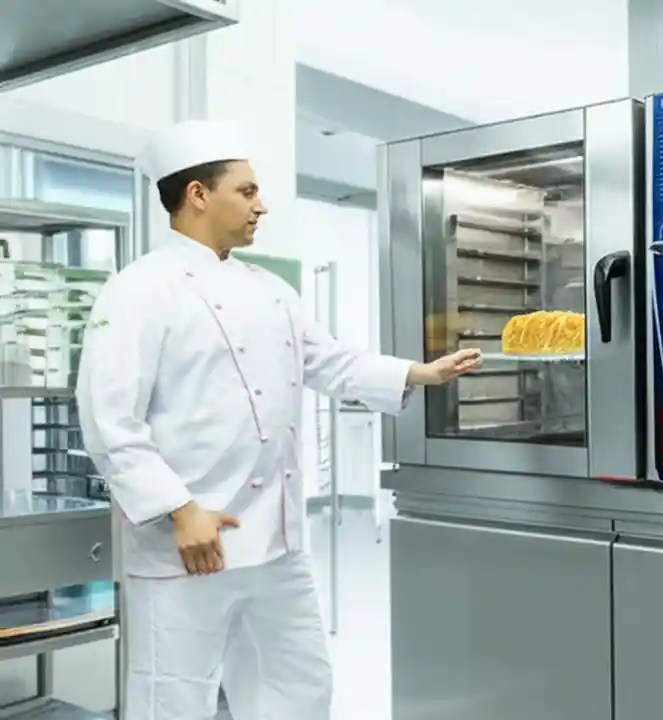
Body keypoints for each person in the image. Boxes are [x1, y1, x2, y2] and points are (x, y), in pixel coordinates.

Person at [75, 119, 481, 720]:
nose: (261, 206)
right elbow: (108, 418)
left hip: (278, 540)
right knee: (174, 696)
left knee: (299, 686)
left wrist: (420, 374)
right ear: (198, 195)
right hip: (189, 543)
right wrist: (180, 510)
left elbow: (328, 361)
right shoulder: (137, 291)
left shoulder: (268, 289)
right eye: (247, 191)